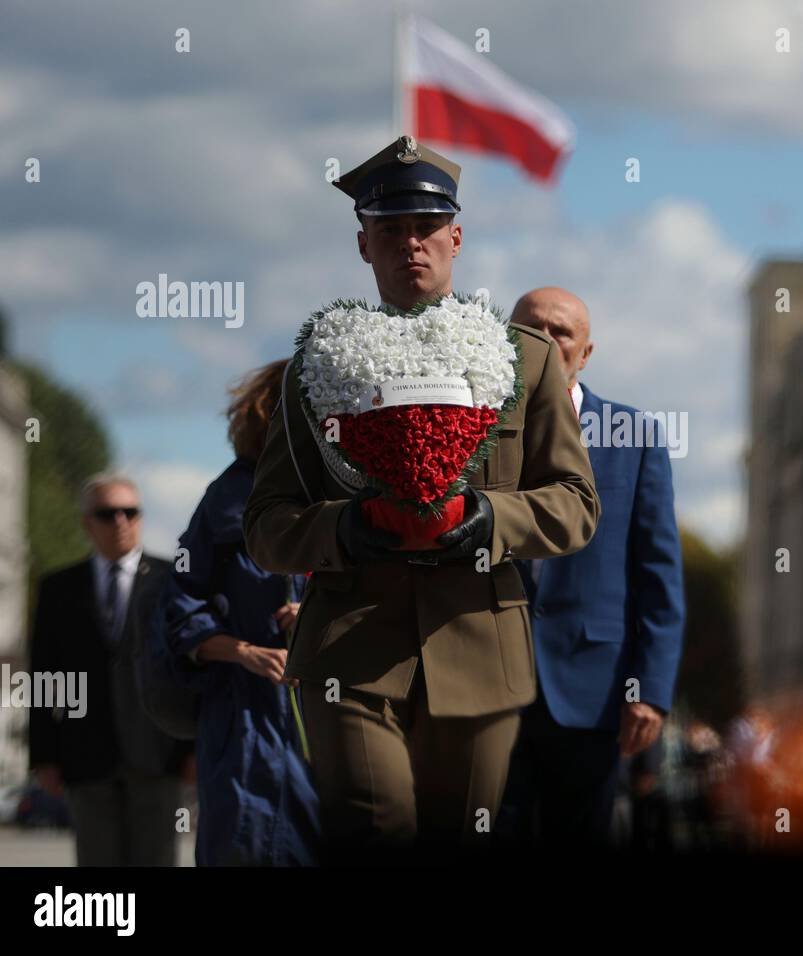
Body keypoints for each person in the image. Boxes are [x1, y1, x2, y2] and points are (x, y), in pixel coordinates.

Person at [243, 137, 599, 858]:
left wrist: (491, 517)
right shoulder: (317, 364)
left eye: (426, 228)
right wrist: (342, 530)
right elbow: (267, 525)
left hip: (479, 644)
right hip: (351, 648)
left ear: (456, 238)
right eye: (390, 230)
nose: (411, 245)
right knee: (379, 829)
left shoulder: (524, 358)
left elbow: (575, 503)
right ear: (363, 246)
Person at [497, 287, 685, 847]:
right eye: (531, 329)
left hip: (593, 692)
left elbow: (659, 576)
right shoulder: (468, 432)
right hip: (485, 685)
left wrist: (649, 689)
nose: (545, 341)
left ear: (586, 352)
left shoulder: (635, 440)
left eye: (561, 332)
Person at [161, 360, 320, 865]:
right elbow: (180, 607)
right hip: (242, 716)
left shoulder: (357, 490)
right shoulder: (226, 497)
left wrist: (324, 615)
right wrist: (245, 652)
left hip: (331, 714)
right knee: (241, 842)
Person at [27, 473, 188, 865]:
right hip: (85, 755)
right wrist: (44, 754)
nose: (120, 521)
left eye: (129, 512)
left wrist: (194, 746)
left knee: (156, 858)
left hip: (157, 753)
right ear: (87, 523)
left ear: (140, 518)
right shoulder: (59, 588)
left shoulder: (172, 582)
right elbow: (46, 676)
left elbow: (187, 670)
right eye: (107, 513)